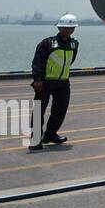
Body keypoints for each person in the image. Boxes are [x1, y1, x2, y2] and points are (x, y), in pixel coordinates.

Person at [30, 13, 79, 151]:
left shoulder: (74, 44)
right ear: (59, 28)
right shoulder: (47, 43)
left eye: (71, 28)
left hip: (63, 82)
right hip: (45, 82)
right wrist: (37, 79)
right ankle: (35, 140)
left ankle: (50, 135)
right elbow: (37, 62)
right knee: (39, 110)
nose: (68, 30)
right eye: (65, 28)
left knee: (60, 111)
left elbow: (71, 60)